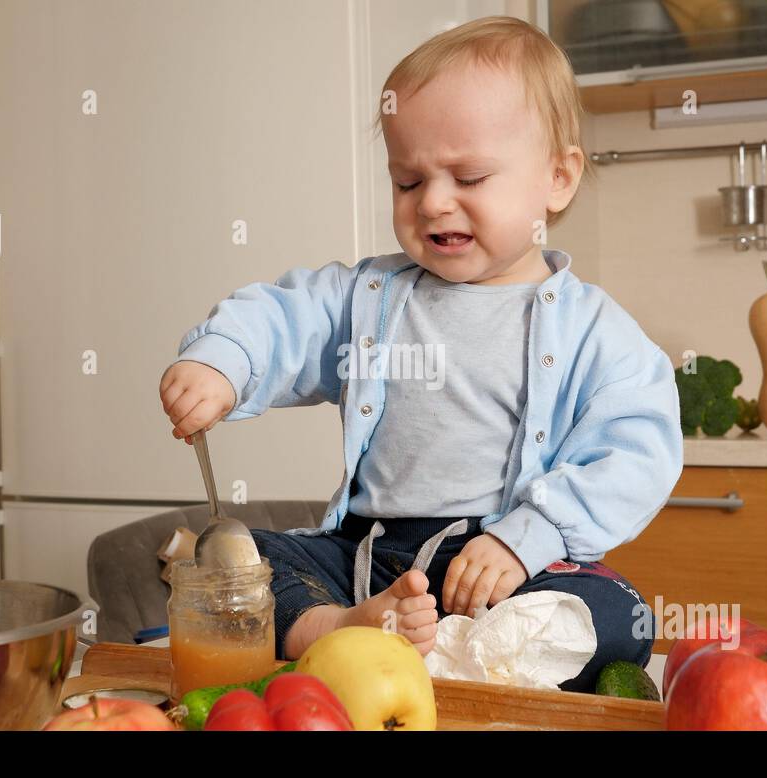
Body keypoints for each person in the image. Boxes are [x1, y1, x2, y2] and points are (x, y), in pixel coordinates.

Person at [158, 16, 682, 692]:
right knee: (237, 561)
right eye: (408, 182)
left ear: (557, 179)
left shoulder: (594, 330)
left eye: (469, 176)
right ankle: (339, 626)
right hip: (368, 557)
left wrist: (531, 535)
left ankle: (472, 652)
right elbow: (284, 317)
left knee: (622, 614)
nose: (434, 202)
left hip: (500, 570)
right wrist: (222, 360)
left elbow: (639, 445)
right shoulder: (371, 297)